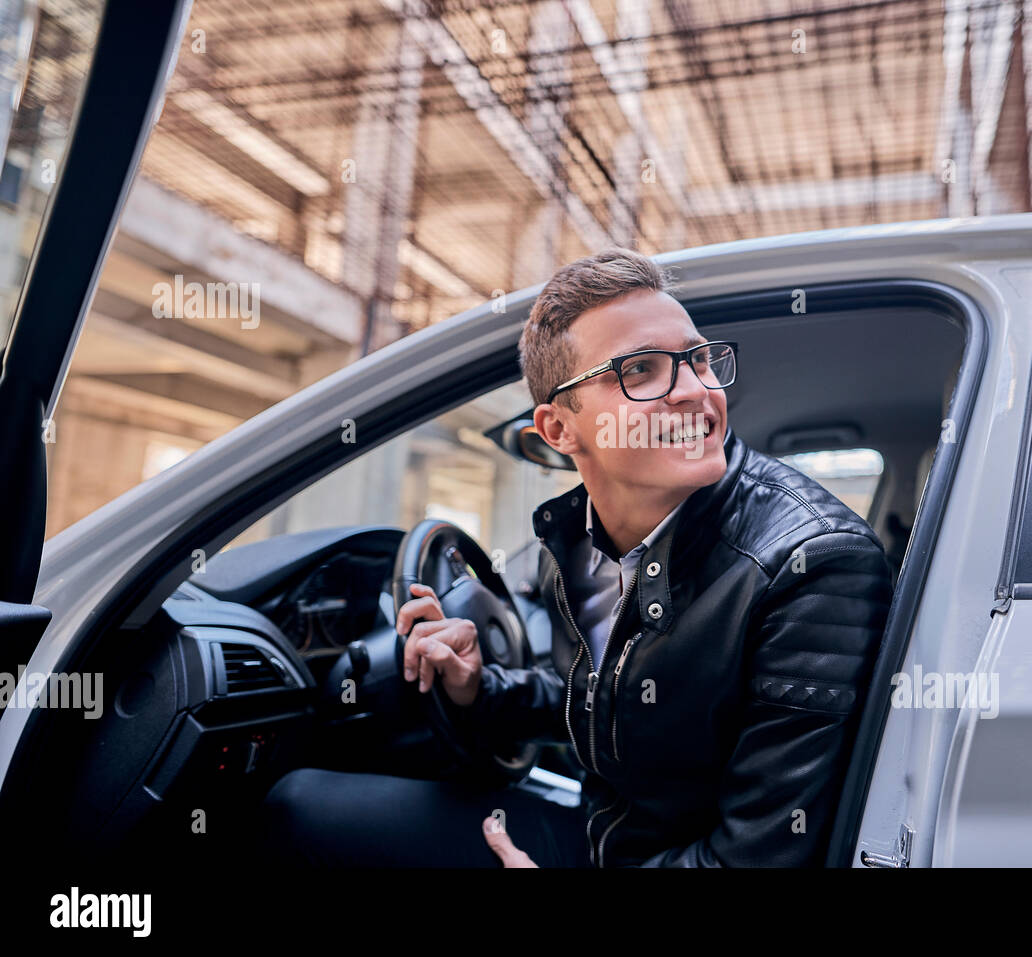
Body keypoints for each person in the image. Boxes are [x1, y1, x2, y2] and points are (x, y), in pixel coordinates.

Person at [260, 247, 894, 867]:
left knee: (300, 808)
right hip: (606, 836)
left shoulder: (811, 564)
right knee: (299, 799)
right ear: (559, 430)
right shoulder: (574, 538)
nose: (695, 391)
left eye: (697, 360)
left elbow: (760, 857)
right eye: (641, 370)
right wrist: (480, 687)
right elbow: (608, 707)